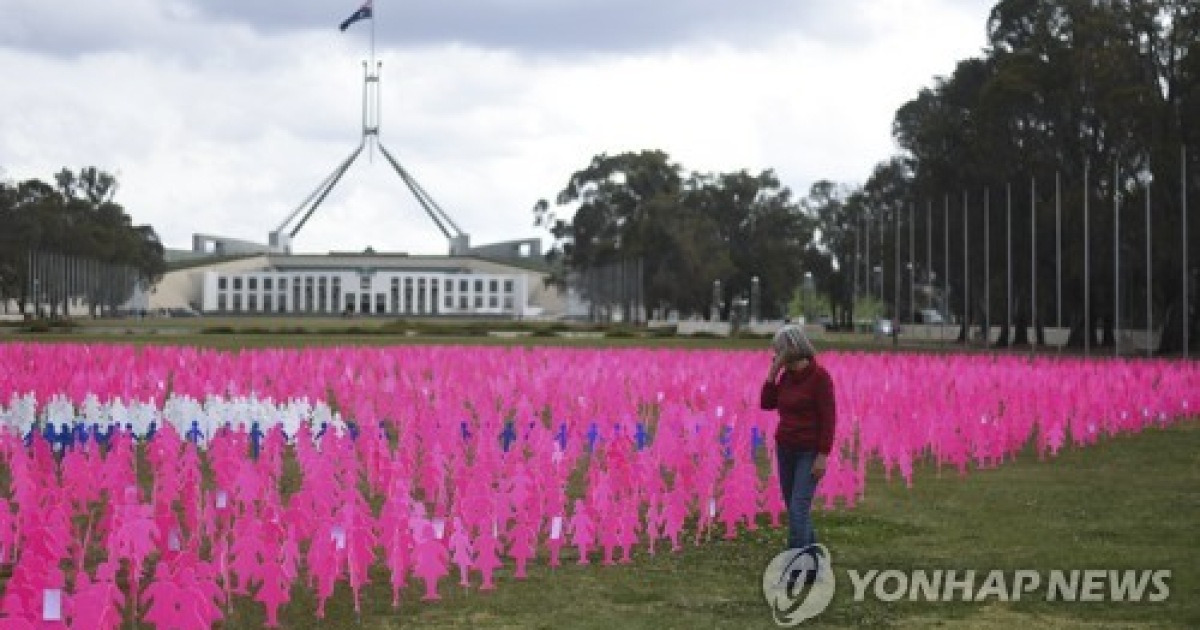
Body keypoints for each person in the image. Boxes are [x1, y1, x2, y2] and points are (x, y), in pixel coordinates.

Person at [760, 324, 837, 564]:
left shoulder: (820, 378)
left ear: (792, 348)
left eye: (779, 351)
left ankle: (795, 568)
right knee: (797, 510)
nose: (776, 355)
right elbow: (767, 403)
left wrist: (823, 455)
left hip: (809, 451)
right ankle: (814, 565)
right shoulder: (786, 377)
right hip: (786, 449)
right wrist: (772, 374)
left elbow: (829, 418)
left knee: (798, 510)